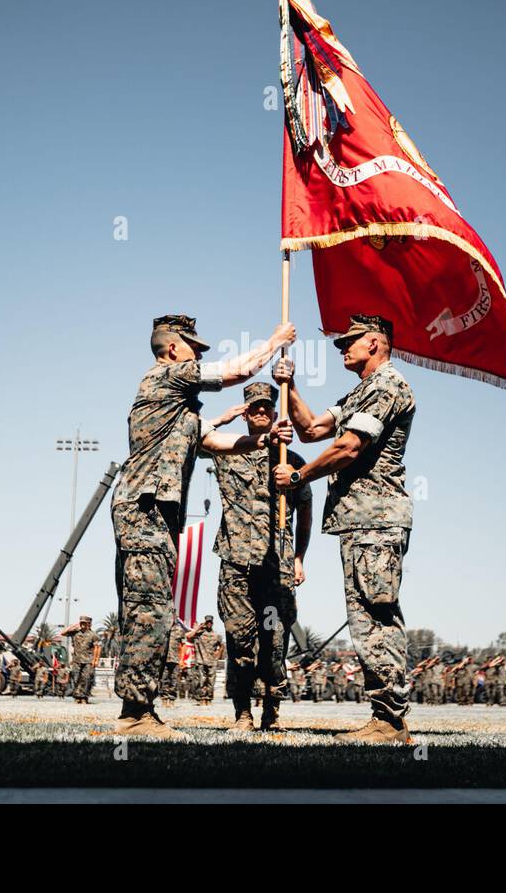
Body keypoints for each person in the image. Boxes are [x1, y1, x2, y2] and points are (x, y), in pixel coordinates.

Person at [111, 313, 296, 737]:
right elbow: (237, 372)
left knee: (152, 610)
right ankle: (135, 714)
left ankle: (140, 709)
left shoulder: (181, 409)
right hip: (144, 510)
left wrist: (264, 440)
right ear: (173, 349)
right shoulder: (165, 379)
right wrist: (274, 342)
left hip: (155, 513)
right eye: (194, 347)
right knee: (148, 611)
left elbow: (220, 443)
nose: (198, 355)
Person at [274, 313, 416, 744]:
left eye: (349, 342)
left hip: (377, 519)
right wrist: (290, 385)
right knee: (363, 619)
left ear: (374, 343)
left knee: (376, 614)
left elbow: (349, 447)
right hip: (359, 522)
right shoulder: (360, 392)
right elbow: (313, 428)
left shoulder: (388, 386)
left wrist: (299, 478)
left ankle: (390, 720)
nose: (343, 349)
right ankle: (383, 716)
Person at [204, 380, 313, 731]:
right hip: (236, 563)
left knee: (275, 639)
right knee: (239, 640)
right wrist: (223, 417)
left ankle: (271, 710)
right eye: (254, 407)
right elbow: (196, 436)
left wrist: (299, 556)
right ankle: (242, 713)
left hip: (276, 565)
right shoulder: (228, 450)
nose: (261, 411)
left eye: (267, 406)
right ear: (246, 412)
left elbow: (307, 509)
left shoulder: (291, 461)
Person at [61, 616, 101, 704]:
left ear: (88, 624)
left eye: (84, 623)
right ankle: (77, 696)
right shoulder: (75, 633)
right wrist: (73, 626)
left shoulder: (93, 635)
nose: (82, 624)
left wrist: (96, 660)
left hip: (88, 661)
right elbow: (63, 633)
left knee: (86, 679)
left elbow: (97, 648)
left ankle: (84, 697)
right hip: (77, 660)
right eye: (81, 622)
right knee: (75, 678)